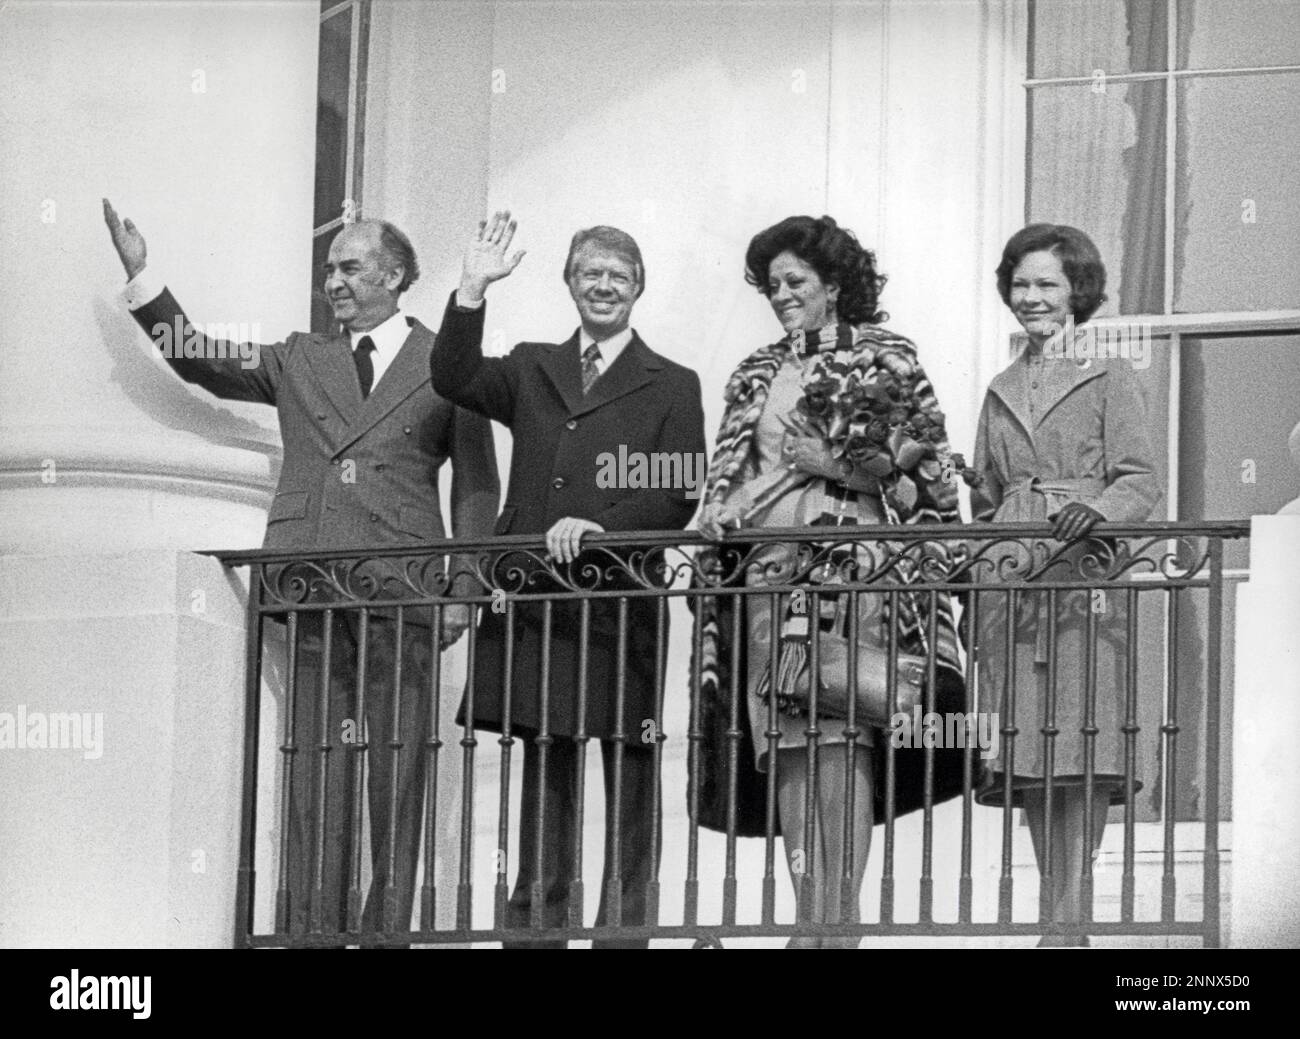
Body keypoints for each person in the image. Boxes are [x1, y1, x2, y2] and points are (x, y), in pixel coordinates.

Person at [102, 201, 500, 940]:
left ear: (396, 274)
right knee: (317, 775)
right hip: (312, 590)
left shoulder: (449, 362)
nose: (334, 283)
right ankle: (311, 935)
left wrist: (464, 591)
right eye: (329, 270)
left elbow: (478, 484)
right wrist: (143, 277)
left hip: (404, 592)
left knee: (398, 778)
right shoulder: (302, 356)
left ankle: (384, 934)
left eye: (349, 267)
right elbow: (200, 357)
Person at [430, 212, 706, 948]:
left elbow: (680, 485)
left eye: (618, 274)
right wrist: (471, 289)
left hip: (620, 601)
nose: (604, 285)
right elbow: (452, 375)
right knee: (546, 770)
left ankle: (624, 934)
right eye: (591, 272)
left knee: (630, 766)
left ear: (639, 287)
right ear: (570, 284)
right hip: (542, 599)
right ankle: (537, 930)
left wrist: (600, 527)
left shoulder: (674, 382)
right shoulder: (529, 365)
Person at [695, 215, 968, 948]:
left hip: (854, 570)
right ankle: (805, 920)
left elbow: (929, 482)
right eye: (773, 284)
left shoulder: (887, 358)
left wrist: (833, 463)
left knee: (840, 732)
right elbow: (733, 476)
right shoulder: (756, 372)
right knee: (784, 741)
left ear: (834, 286)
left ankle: (835, 924)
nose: (782, 294)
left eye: (797, 282)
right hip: (768, 574)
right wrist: (717, 514)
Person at [971, 223, 1160, 946]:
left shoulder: (1113, 375)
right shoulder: (999, 388)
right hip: (1012, 587)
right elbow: (985, 500)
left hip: (1084, 583)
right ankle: (1062, 921)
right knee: (1032, 759)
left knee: (1082, 753)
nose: (1033, 297)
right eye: (1021, 284)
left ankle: (1066, 923)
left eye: (1048, 283)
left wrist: (1098, 511)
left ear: (1078, 291)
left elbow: (1140, 480)